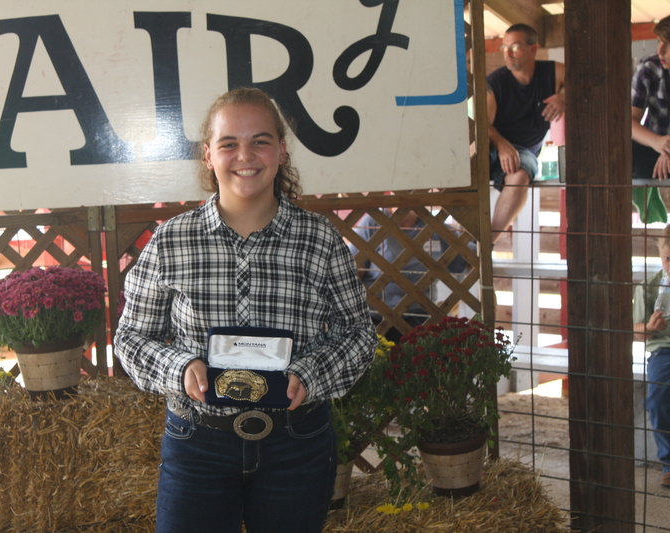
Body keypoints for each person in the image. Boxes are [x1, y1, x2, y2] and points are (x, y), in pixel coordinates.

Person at [114, 87, 376, 533]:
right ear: (208, 155)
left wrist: (310, 375)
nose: (245, 155)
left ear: (281, 150)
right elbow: (130, 337)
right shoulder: (171, 241)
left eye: (260, 140)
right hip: (197, 442)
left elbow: (358, 335)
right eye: (229, 143)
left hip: (297, 442)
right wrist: (180, 368)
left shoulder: (319, 239)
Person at [487, 23, 565, 244]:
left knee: (521, 176)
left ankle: (485, 245)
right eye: (504, 47)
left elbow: (585, 81)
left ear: (533, 49)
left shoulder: (552, 72)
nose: (508, 53)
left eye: (515, 47)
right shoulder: (495, 83)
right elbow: (481, 124)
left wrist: (565, 96)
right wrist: (501, 145)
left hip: (526, 152)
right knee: (462, 166)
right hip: (491, 144)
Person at [348, 208, 475, 342]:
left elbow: (472, 258)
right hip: (375, 314)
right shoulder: (374, 220)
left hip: (420, 313)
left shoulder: (433, 225)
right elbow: (353, 271)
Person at [633, 223, 670, 488]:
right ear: (660, 254)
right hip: (663, 351)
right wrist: (649, 328)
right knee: (657, 398)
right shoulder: (649, 287)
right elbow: (636, 333)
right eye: (668, 258)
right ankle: (669, 462)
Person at [632, 15, 670, 182]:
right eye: (659, 42)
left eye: (668, 45)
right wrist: (658, 143)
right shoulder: (649, 67)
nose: (660, 51)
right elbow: (629, 122)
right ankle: (647, 205)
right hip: (655, 143)